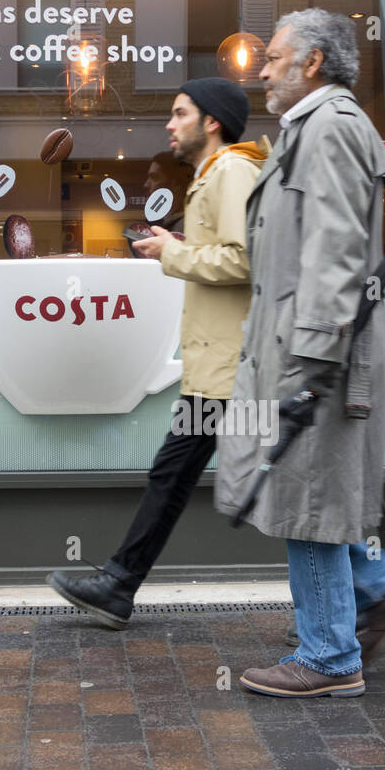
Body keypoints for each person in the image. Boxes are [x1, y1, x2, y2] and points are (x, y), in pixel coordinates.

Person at [214, 9, 385, 698]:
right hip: (310, 347)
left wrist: (308, 361)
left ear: (311, 63)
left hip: (319, 354)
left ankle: (329, 657)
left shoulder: (327, 129)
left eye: (273, 57)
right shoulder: (309, 130)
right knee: (312, 492)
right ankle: (376, 589)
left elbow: (333, 252)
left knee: (306, 496)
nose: (262, 69)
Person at [47, 78, 269, 627]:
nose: (169, 124)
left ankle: (374, 581)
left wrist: (172, 253)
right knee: (185, 474)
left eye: (179, 113)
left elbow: (246, 260)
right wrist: (169, 251)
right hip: (216, 367)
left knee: (270, 476)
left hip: (232, 367)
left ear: (211, 121)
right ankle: (119, 583)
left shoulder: (234, 172)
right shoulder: (214, 175)